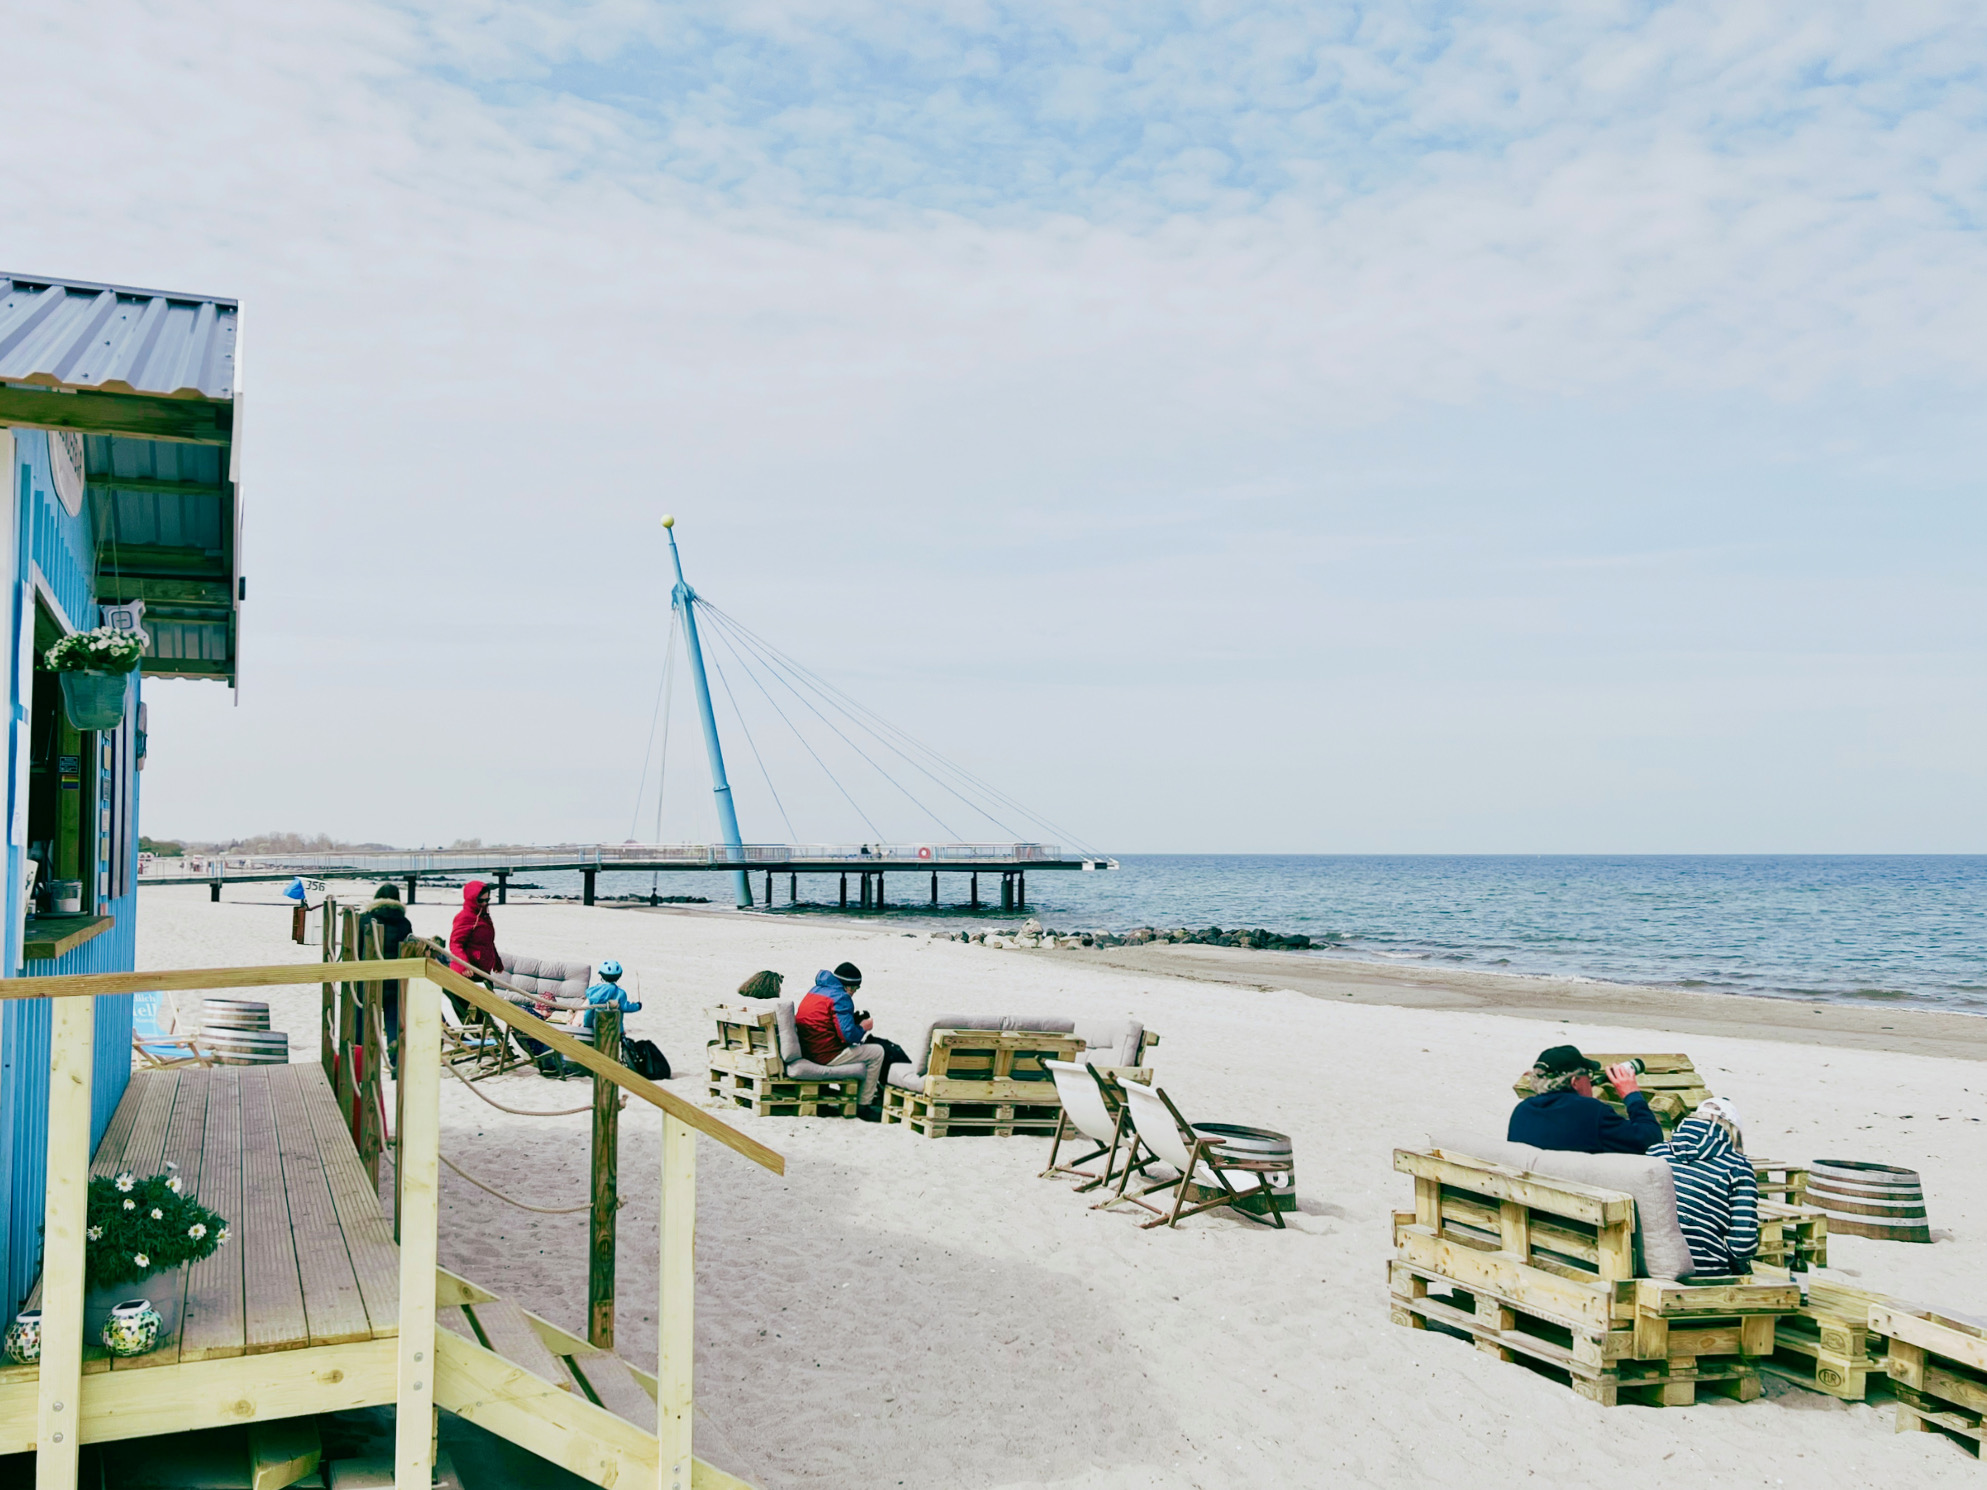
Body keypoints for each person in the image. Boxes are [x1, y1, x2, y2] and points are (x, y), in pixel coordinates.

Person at [1650, 1098, 1760, 1276]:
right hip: (1702, 1268)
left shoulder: (1655, 1152)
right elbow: (1742, 1243)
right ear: (1732, 1132)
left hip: (1649, 1262)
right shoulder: (1737, 1166)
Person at [1508, 1045, 1661, 1154]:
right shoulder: (1591, 1112)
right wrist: (1632, 1095)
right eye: (1588, 1074)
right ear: (1575, 1081)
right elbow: (1650, 1140)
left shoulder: (1522, 1110)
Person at [795, 963, 888, 1121]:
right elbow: (849, 1036)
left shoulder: (815, 990)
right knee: (877, 1052)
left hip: (807, 1049)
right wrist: (863, 1027)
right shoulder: (841, 997)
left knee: (864, 1051)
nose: (854, 993)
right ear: (849, 987)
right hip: (825, 1055)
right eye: (856, 989)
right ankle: (863, 1105)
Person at [359, 884, 415, 1056]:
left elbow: (355, 948)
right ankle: (395, 1058)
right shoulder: (404, 923)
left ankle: (363, 1058)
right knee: (393, 1022)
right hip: (395, 979)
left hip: (368, 978)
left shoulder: (364, 919)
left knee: (365, 1021)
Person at [447, 879, 501, 1022]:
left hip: (483, 970)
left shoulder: (484, 915)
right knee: (458, 1010)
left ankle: (479, 1037)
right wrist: (465, 965)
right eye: (480, 901)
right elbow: (455, 944)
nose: (484, 904)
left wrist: (497, 961)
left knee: (485, 1011)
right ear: (472, 899)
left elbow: (488, 942)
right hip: (467, 972)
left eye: (487, 900)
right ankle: (456, 1038)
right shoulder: (464, 917)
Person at [583, 959, 643, 1034]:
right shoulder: (621, 993)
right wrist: (637, 1006)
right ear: (619, 976)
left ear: (601, 975)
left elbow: (588, 1013)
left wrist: (587, 1026)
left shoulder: (594, 992)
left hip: (597, 1028)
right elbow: (626, 1007)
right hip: (615, 1029)